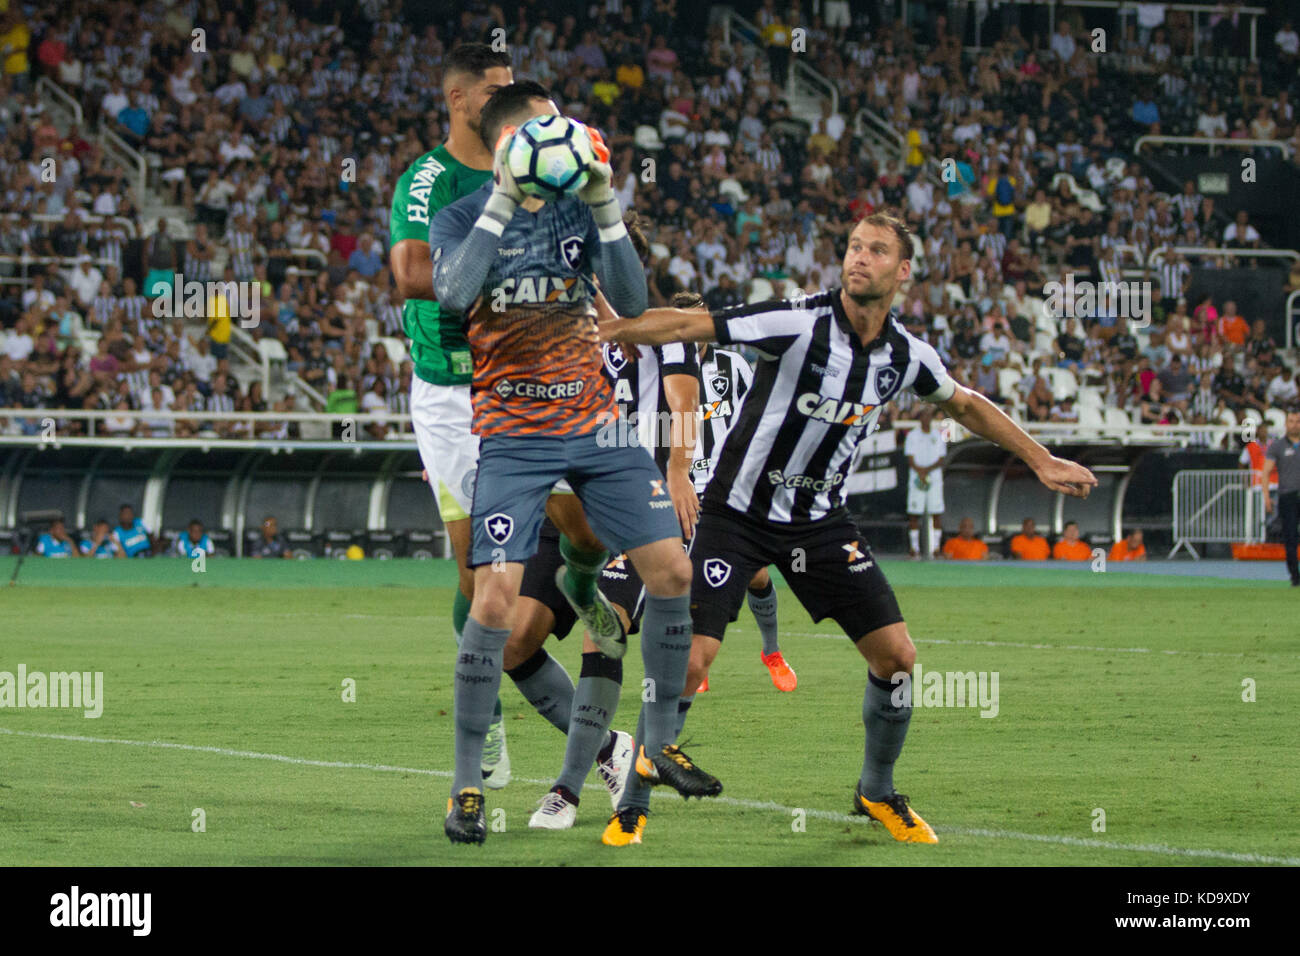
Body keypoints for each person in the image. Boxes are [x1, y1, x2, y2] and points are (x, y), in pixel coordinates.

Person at [600, 212, 1097, 846]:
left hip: (821, 525)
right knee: (692, 663)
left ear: (903, 270)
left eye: (877, 250)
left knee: (898, 658)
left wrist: (1041, 458)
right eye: (855, 246)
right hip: (737, 514)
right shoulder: (796, 321)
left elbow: (965, 404)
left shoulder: (904, 355)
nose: (860, 257)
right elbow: (686, 322)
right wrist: (612, 328)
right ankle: (634, 804)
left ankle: (877, 791)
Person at [429, 83, 704, 846]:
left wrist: (608, 202)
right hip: (514, 434)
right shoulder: (457, 217)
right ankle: (464, 791)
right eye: (542, 125)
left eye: (561, 122)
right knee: (492, 604)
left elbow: (630, 303)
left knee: (673, 573)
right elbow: (452, 295)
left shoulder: (583, 209)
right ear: (507, 143)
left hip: (597, 429)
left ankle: (653, 749)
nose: (561, 132)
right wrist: (503, 201)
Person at [689, 295, 796, 695]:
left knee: (756, 573)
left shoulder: (731, 365)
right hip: (682, 486)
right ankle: (696, 663)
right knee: (685, 574)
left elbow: (760, 407)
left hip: (729, 484)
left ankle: (771, 651)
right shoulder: (661, 366)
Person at [1262, 409, 1300, 586]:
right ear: (1285, 424)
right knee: (1290, 536)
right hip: (1288, 496)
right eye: (1291, 421)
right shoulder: (1277, 446)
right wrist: (1266, 496)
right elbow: (1266, 472)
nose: (1294, 425)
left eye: (1297, 421)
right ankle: (1295, 576)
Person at [905, 404, 946, 558]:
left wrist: (927, 470)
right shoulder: (912, 436)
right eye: (924, 415)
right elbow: (910, 458)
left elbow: (941, 458)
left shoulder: (937, 435)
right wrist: (920, 471)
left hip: (934, 479)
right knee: (914, 513)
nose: (927, 418)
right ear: (920, 418)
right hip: (917, 478)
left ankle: (935, 548)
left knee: (936, 512)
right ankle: (914, 548)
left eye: (929, 416)